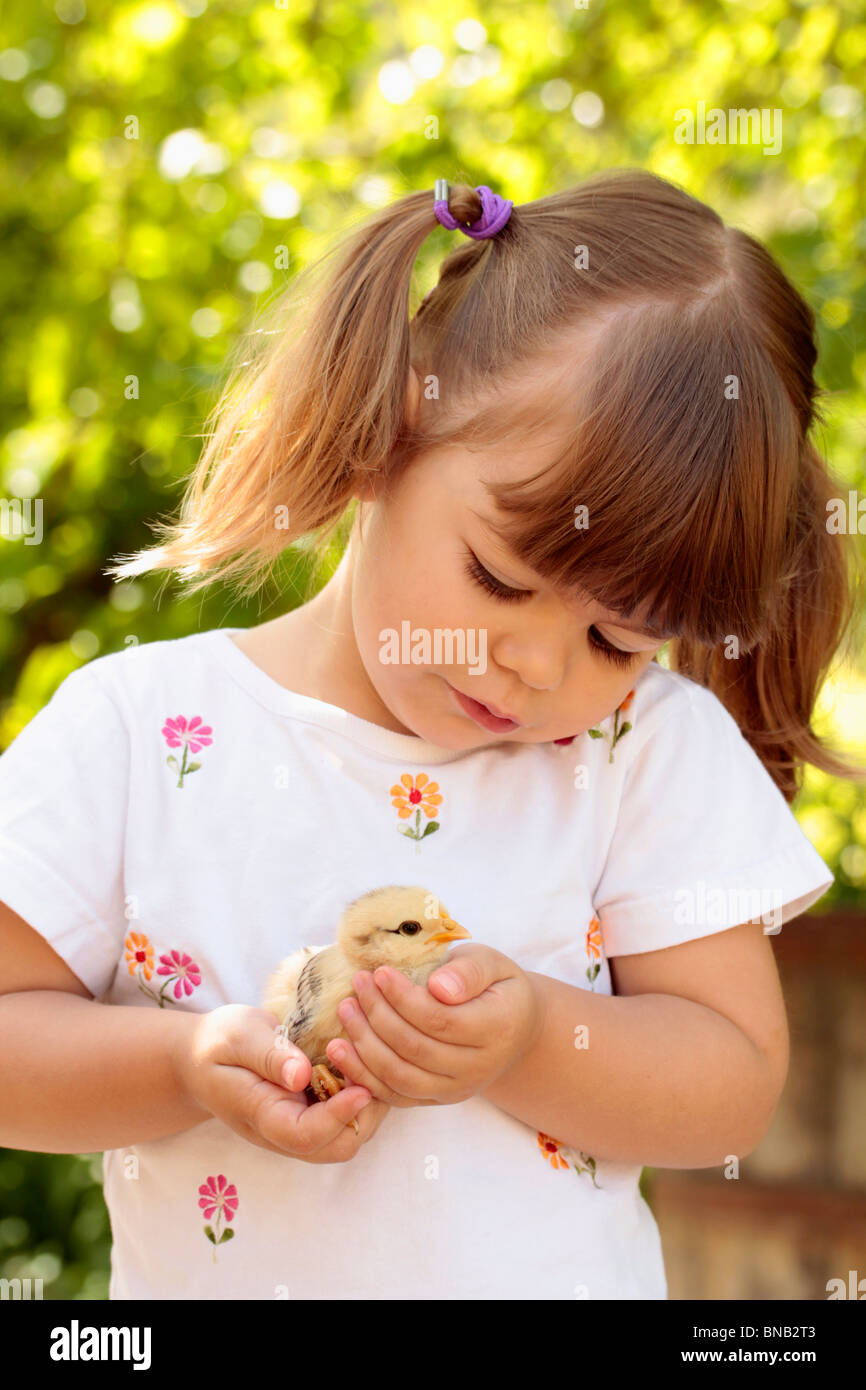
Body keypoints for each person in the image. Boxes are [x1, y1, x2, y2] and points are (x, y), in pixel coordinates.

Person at [0, 172, 862, 1300]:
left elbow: (734, 1082)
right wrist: (184, 1062)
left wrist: (537, 1038)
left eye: (616, 638)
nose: (540, 665)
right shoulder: (136, 732)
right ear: (390, 425)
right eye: (499, 578)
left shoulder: (643, 752)